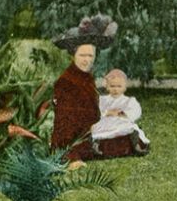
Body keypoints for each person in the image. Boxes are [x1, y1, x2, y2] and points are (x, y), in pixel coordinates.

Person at [50, 14, 125, 163]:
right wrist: (70, 156)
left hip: (86, 136)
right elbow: (64, 124)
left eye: (91, 55)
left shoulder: (87, 77)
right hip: (70, 141)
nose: (87, 60)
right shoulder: (66, 81)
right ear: (73, 55)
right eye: (83, 55)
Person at [90, 69, 149, 157]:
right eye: (112, 86)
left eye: (119, 86)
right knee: (95, 129)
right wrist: (107, 112)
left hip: (120, 121)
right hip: (106, 122)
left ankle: (136, 146)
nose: (115, 89)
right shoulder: (103, 100)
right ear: (107, 87)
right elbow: (96, 111)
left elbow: (135, 112)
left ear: (124, 87)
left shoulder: (128, 101)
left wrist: (122, 113)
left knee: (132, 128)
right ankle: (95, 145)